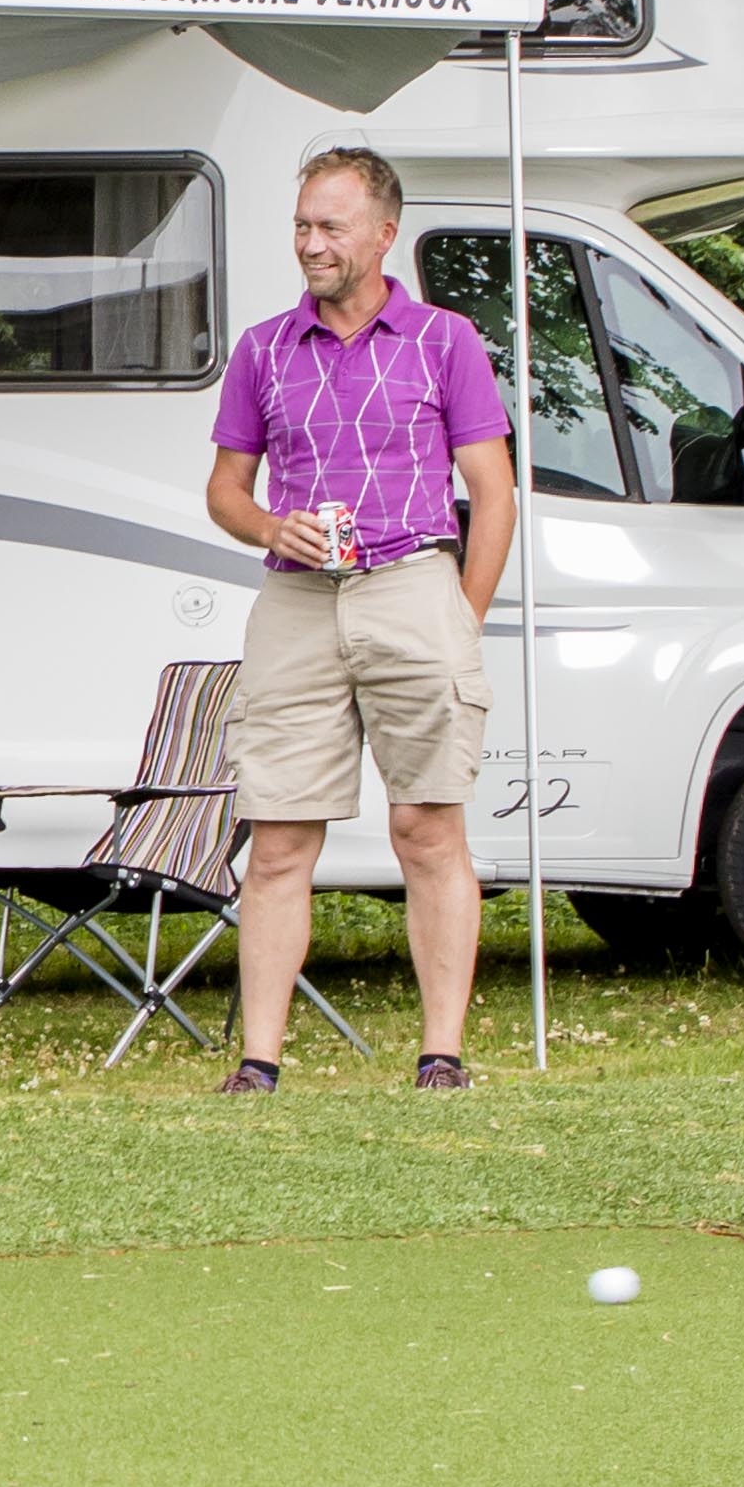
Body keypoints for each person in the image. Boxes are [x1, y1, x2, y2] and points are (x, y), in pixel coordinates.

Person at [204, 146, 519, 1097]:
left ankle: (441, 1056)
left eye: (330, 227)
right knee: (277, 842)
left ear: (384, 234)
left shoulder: (444, 340)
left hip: (411, 584)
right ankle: (257, 1065)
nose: (311, 244)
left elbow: (493, 492)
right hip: (296, 597)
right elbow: (224, 489)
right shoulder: (263, 348)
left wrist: (460, 616)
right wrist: (270, 526)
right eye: (302, 225)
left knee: (426, 829)